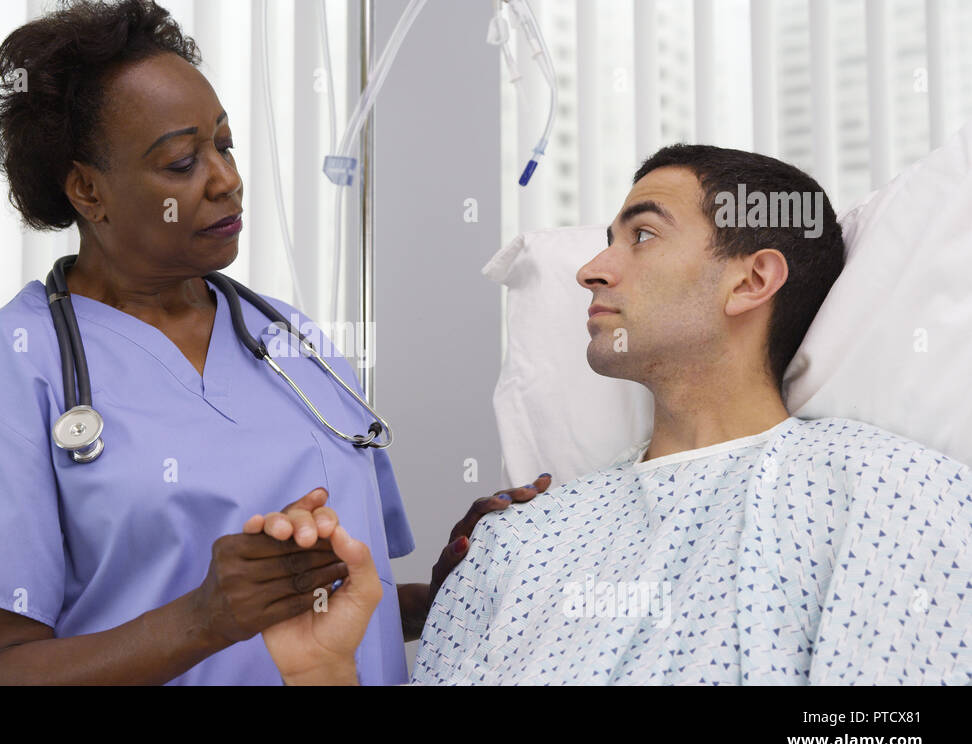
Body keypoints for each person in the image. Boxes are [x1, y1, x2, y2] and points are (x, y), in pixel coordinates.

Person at [0, 0, 549, 686]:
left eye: (224, 145)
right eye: (180, 162)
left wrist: (453, 591)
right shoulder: (6, 369)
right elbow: (0, 673)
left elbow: (327, 603)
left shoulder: (294, 344)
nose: (226, 179)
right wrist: (201, 619)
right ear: (88, 189)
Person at [253, 145, 972, 685]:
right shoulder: (514, 546)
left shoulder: (892, 496)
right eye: (605, 239)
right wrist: (324, 672)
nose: (591, 269)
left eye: (643, 235)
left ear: (752, 279)